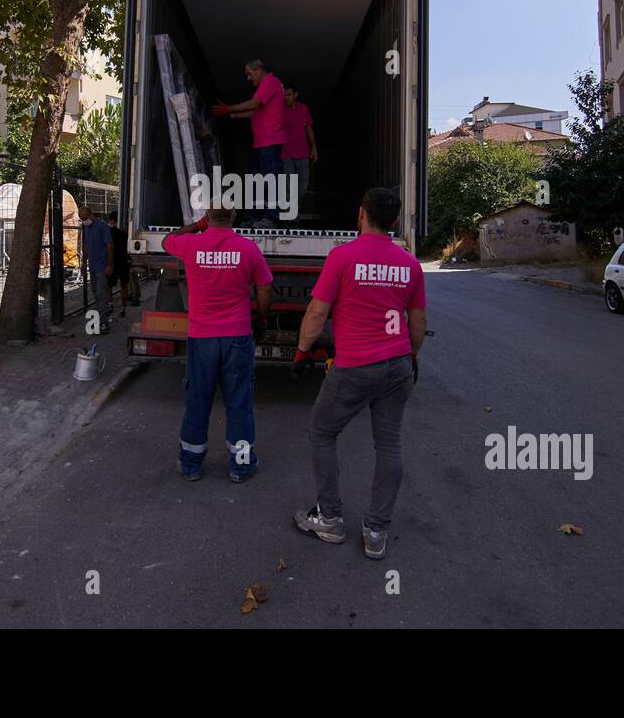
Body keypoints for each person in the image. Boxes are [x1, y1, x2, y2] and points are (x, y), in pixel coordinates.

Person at [290, 187, 427, 560]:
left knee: (322, 432)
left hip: (355, 367)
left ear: (361, 214)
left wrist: (302, 352)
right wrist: (411, 358)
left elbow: (317, 314)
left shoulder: (342, 258)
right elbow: (417, 320)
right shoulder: (410, 265)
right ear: (395, 221)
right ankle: (376, 532)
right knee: (389, 445)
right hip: (397, 365)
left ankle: (330, 520)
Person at [164, 206, 273, 482]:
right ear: (234, 217)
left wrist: (196, 226)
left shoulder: (191, 243)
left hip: (202, 337)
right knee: (239, 401)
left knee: (198, 399)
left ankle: (190, 464)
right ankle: (241, 465)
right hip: (237, 335)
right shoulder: (248, 249)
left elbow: (167, 240)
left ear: (207, 218)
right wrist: (261, 318)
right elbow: (264, 288)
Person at [211, 59, 285, 227]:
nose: (248, 78)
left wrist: (228, 109)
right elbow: (254, 112)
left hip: (270, 142)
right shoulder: (264, 87)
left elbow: (253, 104)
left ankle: (270, 218)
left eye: (249, 74)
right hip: (261, 143)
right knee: (257, 180)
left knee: (269, 180)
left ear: (259, 69)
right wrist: (230, 116)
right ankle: (258, 218)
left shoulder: (271, 82)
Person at [281, 81, 318, 214]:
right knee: (289, 188)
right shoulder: (280, 109)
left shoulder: (303, 109)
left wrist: (314, 148)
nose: (286, 98)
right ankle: (291, 220)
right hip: (286, 156)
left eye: (289, 95)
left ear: (295, 95)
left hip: (303, 155)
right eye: (284, 95)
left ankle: (292, 214)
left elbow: (309, 128)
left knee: (302, 189)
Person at [79, 204, 113, 333]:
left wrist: (109, 264)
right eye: (81, 219)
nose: (84, 221)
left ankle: (104, 322)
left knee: (101, 293)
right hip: (93, 266)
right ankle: (99, 318)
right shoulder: (86, 227)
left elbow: (109, 245)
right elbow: (86, 246)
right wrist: (83, 263)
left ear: (91, 214)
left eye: (85, 218)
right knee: (96, 293)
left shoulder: (102, 226)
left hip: (101, 266)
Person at [106, 211, 139, 316]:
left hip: (112, 261)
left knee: (109, 285)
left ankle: (110, 304)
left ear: (111, 220)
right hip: (124, 261)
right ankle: (123, 308)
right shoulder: (125, 232)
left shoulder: (108, 232)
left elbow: (107, 247)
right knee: (124, 285)